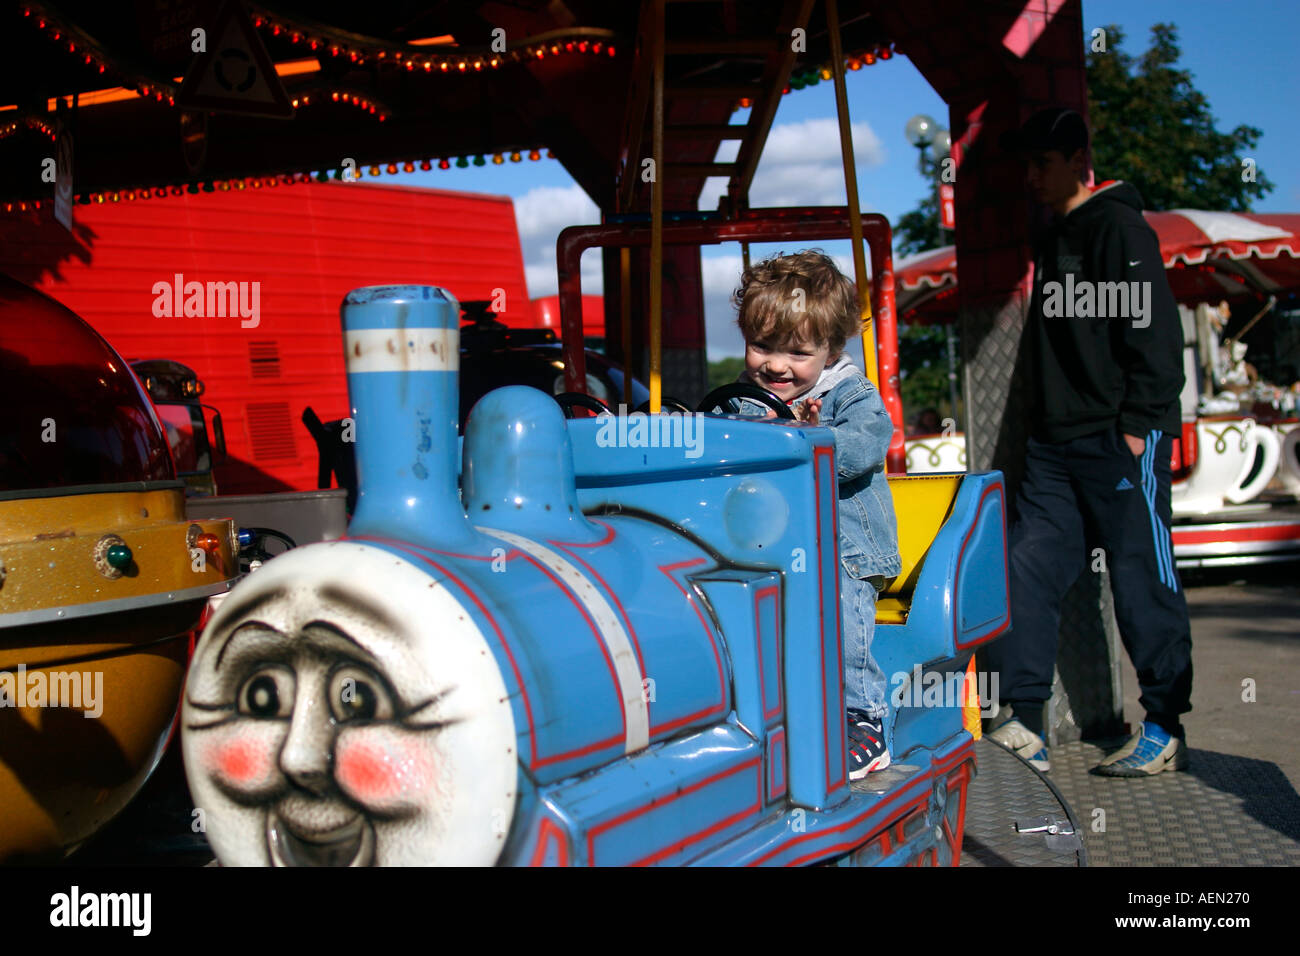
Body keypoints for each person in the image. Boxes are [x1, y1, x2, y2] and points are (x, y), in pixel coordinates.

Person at [987, 107, 1193, 776]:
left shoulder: (1119, 228)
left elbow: (1159, 343)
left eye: (1042, 163)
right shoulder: (1057, 238)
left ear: (1078, 159)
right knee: (1025, 565)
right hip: (1055, 450)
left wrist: (1136, 428)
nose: (1031, 177)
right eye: (1027, 165)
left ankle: (1163, 727)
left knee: (1139, 578)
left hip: (1118, 442)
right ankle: (1025, 722)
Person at [730, 250, 901, 777]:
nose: (776, 365)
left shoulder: (850, 394)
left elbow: (868, 442)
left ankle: (865, 720)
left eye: (797, 352)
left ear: (830, 350)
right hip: (769, 546)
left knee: (839, 600)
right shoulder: (746, 399)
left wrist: (810, 439)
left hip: (845, 548)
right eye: (762, 347)